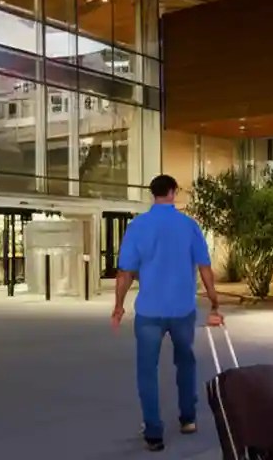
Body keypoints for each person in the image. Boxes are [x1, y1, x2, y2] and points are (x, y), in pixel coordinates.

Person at [111, 174, 223, 453]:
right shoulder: (189, 226)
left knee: (147, 371)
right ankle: (188, 419)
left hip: (149, 311)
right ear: (173, 192)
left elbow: (124, 272)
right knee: (186, 362)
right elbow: (204, 267)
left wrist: (118, 305)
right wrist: (214, 300)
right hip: (183, 309)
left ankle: (153, 433)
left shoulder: (137, 226)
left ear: (153, 194)